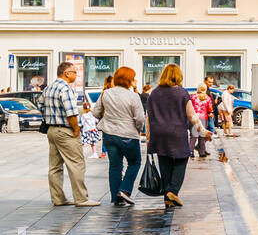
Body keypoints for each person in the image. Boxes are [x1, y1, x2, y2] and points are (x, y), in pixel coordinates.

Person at [147, 63, 202, 209]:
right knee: (181, 160)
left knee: (164, 163)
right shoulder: (182, 93)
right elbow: (192, 116)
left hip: (158, 134)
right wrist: (202, 130)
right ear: (178, 76)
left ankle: (167, 198)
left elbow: (148, 117)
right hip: (176, 132)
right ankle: (172, 191)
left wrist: (148, 138)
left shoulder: (154, 93)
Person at [39, 61, 92, 208]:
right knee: (76, 164)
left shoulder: (49, 88)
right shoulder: (66, 89)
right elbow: (71, 112)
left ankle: (58, 198)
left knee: (55, 166)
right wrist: (76, 129)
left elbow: (40, 104)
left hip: (52, 130)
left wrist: (49, 118)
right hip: (66, 130)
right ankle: (81, 199)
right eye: (75, 72)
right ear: (66, 73)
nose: (76, 74)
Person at [94, 66, 147, 206]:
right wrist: (138, 129)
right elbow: (140, 118)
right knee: (135, 163)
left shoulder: (106, 94)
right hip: (128, 135)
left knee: (115, 166)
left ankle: (116, 197)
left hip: (109, 135)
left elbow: (95, 112)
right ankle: (125, 190)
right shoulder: (133, 96)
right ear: (128, 80)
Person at [190, 85, 213, 158]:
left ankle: (191, 151)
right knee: (202, 136)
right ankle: (201, 152)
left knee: (193, 136)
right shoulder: (208, 98)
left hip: (194, 118)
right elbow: (210, 109)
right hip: (203, 118)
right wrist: (209, 113)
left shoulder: (193, 97)